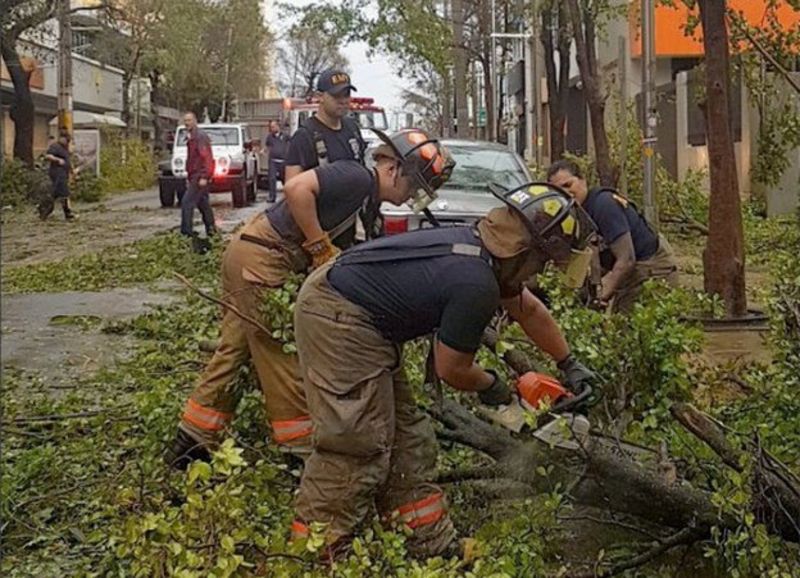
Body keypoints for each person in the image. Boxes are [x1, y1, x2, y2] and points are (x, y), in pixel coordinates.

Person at [290, 171, 599, 558]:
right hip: (337, 317)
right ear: (526, 253)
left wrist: (569, 364)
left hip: (361, 320)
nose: (539, 275)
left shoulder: (482, 253)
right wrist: (494, 387)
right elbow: (452, 369)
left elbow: (528, 310)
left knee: (409, 439)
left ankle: (429, 545)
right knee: (357, 441)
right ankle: (315, 553)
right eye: (541, 264)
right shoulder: (476, 283)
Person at [163, 128, 450, 470]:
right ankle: (301, 456)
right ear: (392, 169)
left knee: (234, 352)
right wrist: (318, 245)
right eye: (413, 185)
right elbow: (297, 188)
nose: (412, 194)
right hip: (265, 259)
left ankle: (190, 444)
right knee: (286, 355)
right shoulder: (356, 177)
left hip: (249, 253)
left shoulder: (368, 205)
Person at [547, 159, 679, 313]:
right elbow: (593, 259)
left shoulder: (604, 205)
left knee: (630, 326)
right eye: (558, 191)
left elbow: (627, 259)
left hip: (652, 267)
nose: (565, 193)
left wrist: (601, 297)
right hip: (628, 269)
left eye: (568, 185)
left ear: (583, 181)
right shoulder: (576, 214)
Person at [180, 111, 216, 238]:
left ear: (195, 121)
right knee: (203, 204)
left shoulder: (199, 137)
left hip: (199, 175)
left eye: (189, 120)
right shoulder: (191, 137)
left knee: (186, 202)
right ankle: (212, 231)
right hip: (195, 175)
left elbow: (206, 157)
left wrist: (205, 176)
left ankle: (186, 233)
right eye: (185, 121)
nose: (187, 123)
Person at [39, 132, 75, 220]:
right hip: (57, 173)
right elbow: (48, 156)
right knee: (64, 193)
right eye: (67, 140)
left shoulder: (64, 148)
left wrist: (71, 170)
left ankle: (44, 211)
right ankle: (68, 213)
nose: (67, 142)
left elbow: (68, 160)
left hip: (63, 174)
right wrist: (58, 160)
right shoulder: (55, 146)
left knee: (56, 194)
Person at [265, 120, 288, 203]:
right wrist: (265, 152)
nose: (272, 128)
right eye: (271, 127)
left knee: (285, 179)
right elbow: (267, 146)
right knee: (272, 179)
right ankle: (272, 196)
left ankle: (288, 196)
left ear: (278, 126)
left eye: (274, 126)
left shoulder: (285, 136)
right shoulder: (269, 137)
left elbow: (291, 143)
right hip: (273, 161)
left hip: (283, 161)